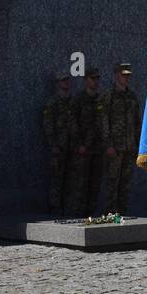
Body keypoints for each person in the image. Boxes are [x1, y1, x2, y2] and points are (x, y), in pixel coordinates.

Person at [99, 63, 141, 215]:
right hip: (114, 148)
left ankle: (122, 214)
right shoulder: (108, 96)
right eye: (124, 75)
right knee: (112, 183)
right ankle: (110, 215)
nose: (126, 78)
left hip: (129, 148)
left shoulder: (132, 96)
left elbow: (137, 122)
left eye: (128, 75)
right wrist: (108, 144)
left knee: (125, 184)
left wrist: (137, 144)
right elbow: (103, 122)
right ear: (116, 75)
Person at [69, 67, 106, 216]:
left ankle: (90, 215)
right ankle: (78, 215)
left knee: (94, 184)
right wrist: (79, 145)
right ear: (86, 80)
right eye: (92, 78)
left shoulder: (101, 99)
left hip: (97, 148)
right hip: (83, 149)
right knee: (80, 184)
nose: (95, 81)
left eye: (97, 78)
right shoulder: (78, 99)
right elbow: (72, 123)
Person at [42, 73, 75, 215]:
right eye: (63, 81)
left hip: (72, 147)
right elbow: (47, 125)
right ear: (58, 83)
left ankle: (68, 208)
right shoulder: (52, 103)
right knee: (57, 179)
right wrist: (53, 144)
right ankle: (55, 209)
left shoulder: (73, 102)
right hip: (58, 147)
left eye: (68, 80)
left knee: (71, 179)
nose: (66, 83)